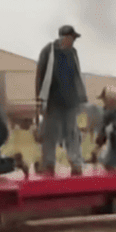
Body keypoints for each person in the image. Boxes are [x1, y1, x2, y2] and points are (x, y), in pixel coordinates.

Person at [33, 25, 87, 175]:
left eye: (74, 39)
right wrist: (39, 99)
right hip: (52, 101)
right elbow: (40, 75)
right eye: (71, 38)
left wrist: (82, 98)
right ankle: (48, 164)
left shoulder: (73, 53)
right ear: (64, 37)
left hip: (70, 101)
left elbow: (77, 75)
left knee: (72, 134)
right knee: (50, 134)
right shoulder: (48, 51)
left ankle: (76, 164)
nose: (73, 41)